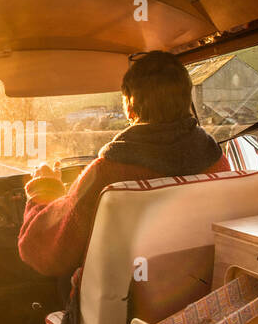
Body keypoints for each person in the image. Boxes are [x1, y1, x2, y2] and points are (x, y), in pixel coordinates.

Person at [18, 50, 228, 297]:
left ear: (129, 107)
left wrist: (45, 189)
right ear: (186, 100)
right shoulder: (218, 163)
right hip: (196, 294)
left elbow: (47, 255)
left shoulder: (107, 174)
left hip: (122, 313)